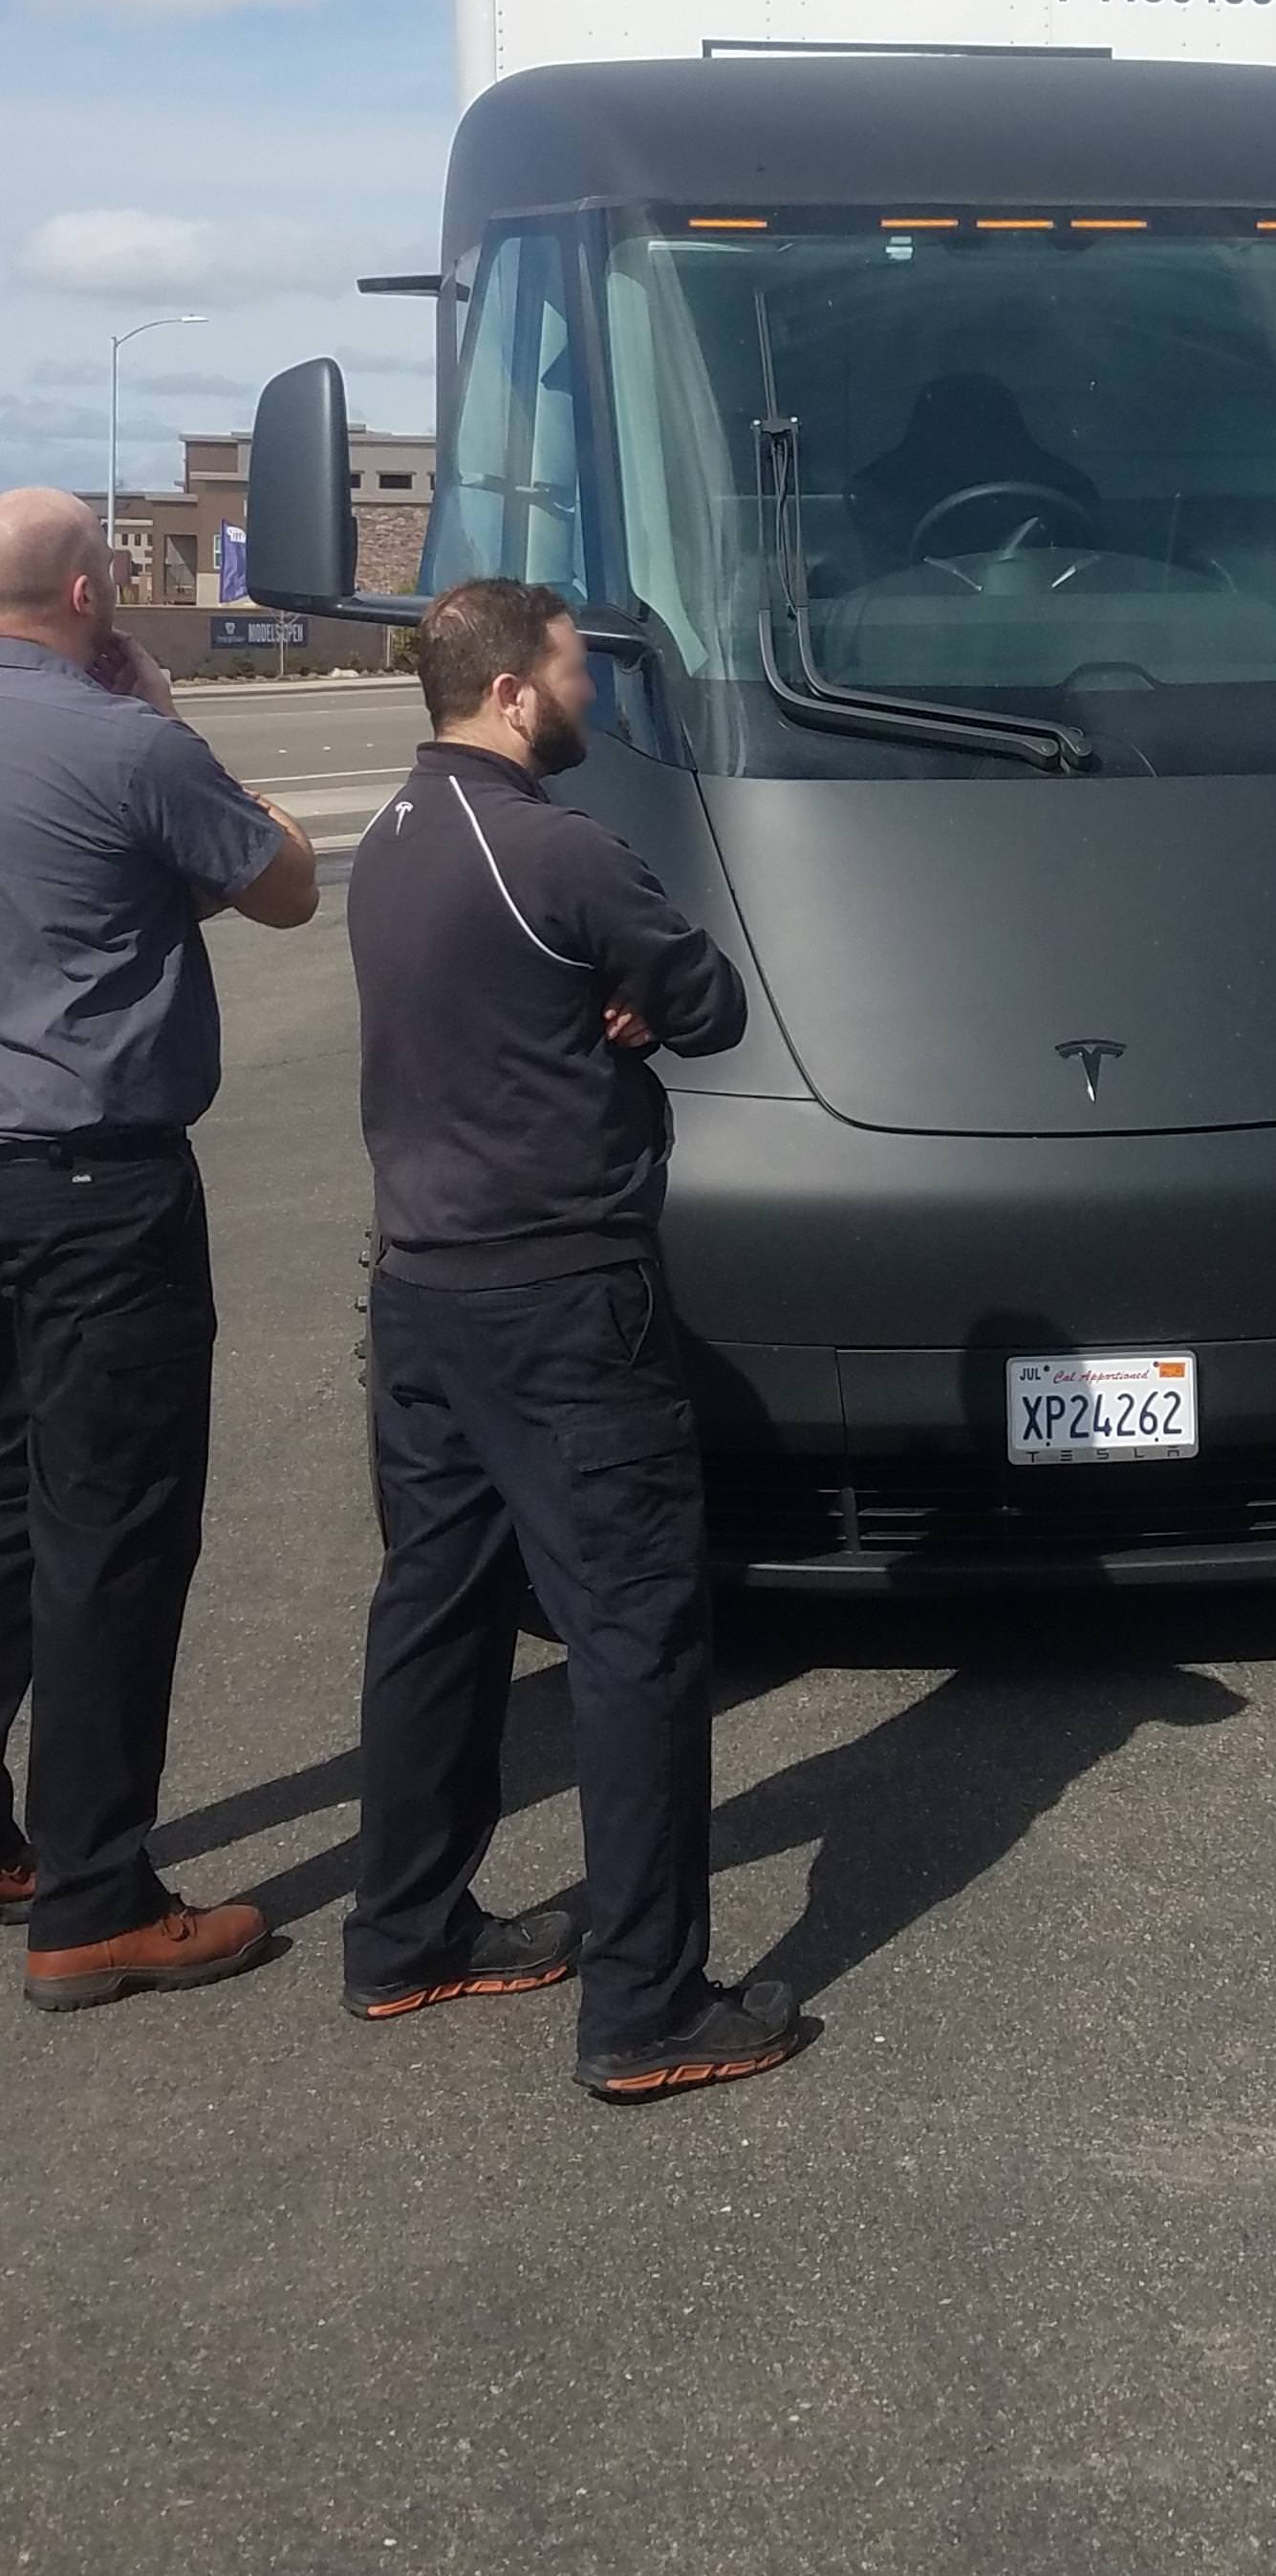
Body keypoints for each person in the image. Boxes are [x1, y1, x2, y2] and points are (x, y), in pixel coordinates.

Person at [340, 577, 801, 2103]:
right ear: (516, 693)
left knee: (436, 1610)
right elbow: (714, 1003)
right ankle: (648, 2007)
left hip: (420, 1289)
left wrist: (598, 1000)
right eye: (576, 672)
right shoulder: (558, 851)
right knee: (637, 1638)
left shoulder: (397, 838)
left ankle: (404, 1931)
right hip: (557, 1307)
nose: (592, 695)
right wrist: (632, 999)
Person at [0, 489, 317, 2005]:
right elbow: (285, 884)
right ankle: (95, 1899)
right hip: (92, 1185)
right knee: (112, 1532)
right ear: (84, 591)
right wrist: (175, 715)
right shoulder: (130, 744)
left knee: (7, 1512)